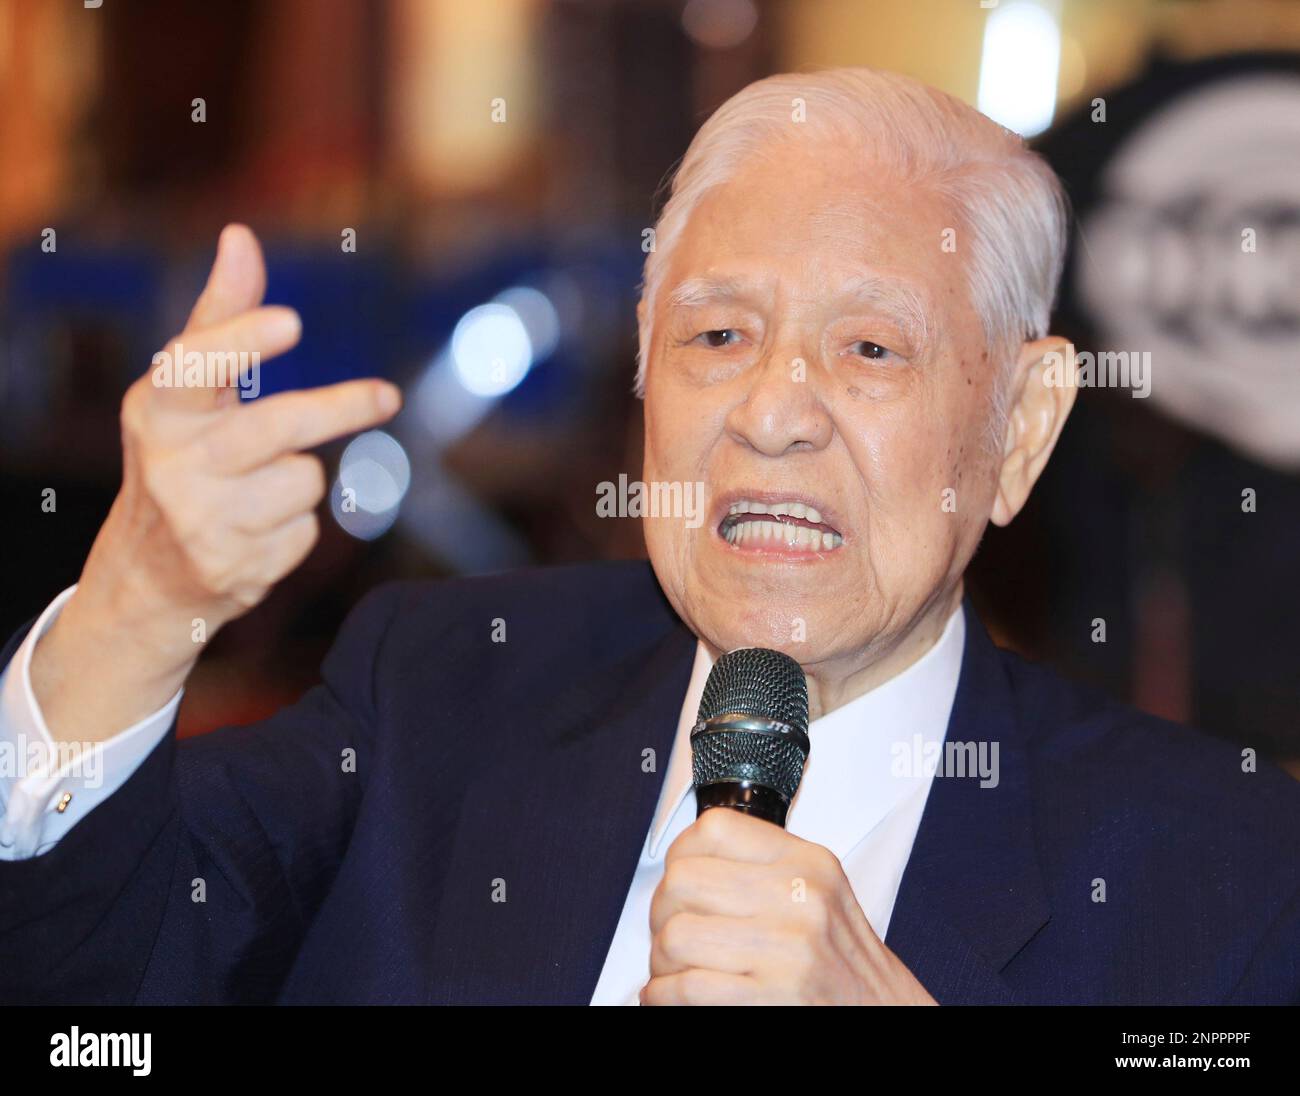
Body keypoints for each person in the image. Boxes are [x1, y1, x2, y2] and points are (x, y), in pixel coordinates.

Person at [1, 68, 1295, 1006]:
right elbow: (84, 985)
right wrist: (135, 606)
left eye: (870, 348)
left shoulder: (1219, 876)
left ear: (1019, 428)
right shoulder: (435, 691)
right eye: (719, 336)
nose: (774, 413)